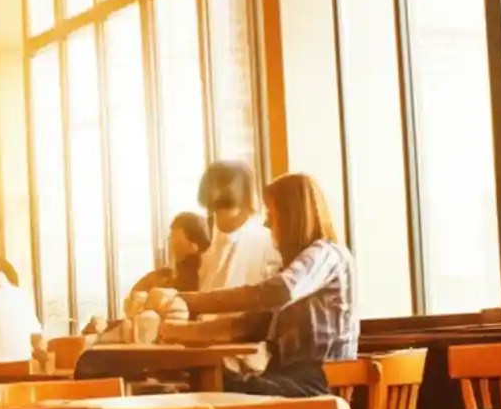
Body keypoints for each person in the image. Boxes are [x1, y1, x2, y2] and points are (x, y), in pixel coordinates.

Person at [154, 172, 359, 396]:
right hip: (291, 378)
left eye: (272, 213)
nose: (266, 223)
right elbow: (250, 326)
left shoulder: (327, 254)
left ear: (293, 215)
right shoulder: (297, 271)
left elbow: (279, 291)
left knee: (214, 391)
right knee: (196, 386)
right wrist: (177, 332)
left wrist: (188, 300)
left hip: (318, 386)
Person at [197, 160, 281, 292]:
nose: (217, 214)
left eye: (225, 205)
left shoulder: (268, 245)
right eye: (214, 208)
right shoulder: (213, 250)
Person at [130, 212, 211, 295]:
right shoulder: (167, 274)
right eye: (171, 238)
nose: (171, 244)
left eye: (176, 243)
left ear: (193, 245)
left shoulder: (193, 269)